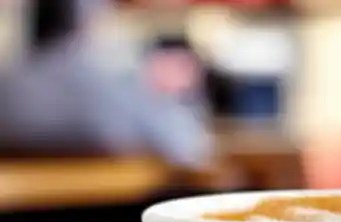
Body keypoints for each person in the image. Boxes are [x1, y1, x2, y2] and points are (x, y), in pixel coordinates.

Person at [0, 0, 211, 167]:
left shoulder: (7, 85)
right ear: (89, 18)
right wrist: (178, 99)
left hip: (20, 216)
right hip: (111, 215)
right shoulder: (109, 84)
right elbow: (189, 147)